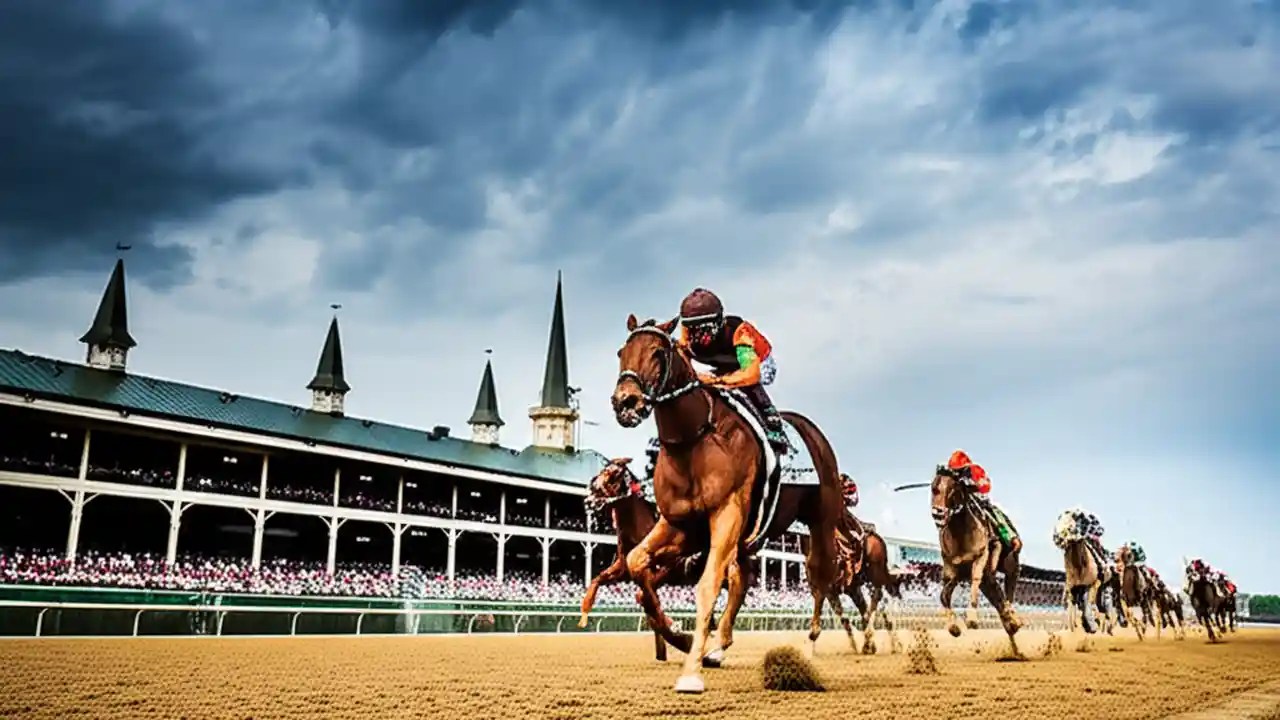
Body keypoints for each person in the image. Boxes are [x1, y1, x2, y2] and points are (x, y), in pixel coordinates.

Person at [673, 287, 788, 453]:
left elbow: (751, 374)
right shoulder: (688, 333)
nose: (697, 336)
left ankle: (774, 424)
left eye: (704, 329)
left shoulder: (740, 333)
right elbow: (682, 355)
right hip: (724, 365)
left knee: (748, 387)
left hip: (758, 364)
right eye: (692, 329)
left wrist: (717, 381)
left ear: (719, 322)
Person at [945, 449, 1021, 552]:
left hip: (979, 502)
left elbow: (986, 485)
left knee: (996, 515)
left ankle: (1011, 538)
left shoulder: (975, 470)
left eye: (959, 470)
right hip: (961, 503)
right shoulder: (953, 475)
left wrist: (973, 485)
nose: (957, 472)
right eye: (955, 470)